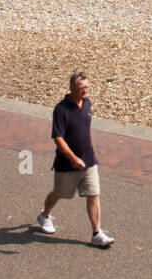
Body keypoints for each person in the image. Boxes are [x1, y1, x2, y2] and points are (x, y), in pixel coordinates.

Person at [37, 72, 114, 248]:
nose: (84, 92)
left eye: (86, 88)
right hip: (67, 164)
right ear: (71, 88)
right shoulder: (61, 109)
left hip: (89, 161)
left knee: (93, 195)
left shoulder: (87, 104)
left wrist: (85, 156)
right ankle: (45, 215)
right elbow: (58, 138)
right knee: (59, 193)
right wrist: (72, 158)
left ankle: (96, 233)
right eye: (80, 89)